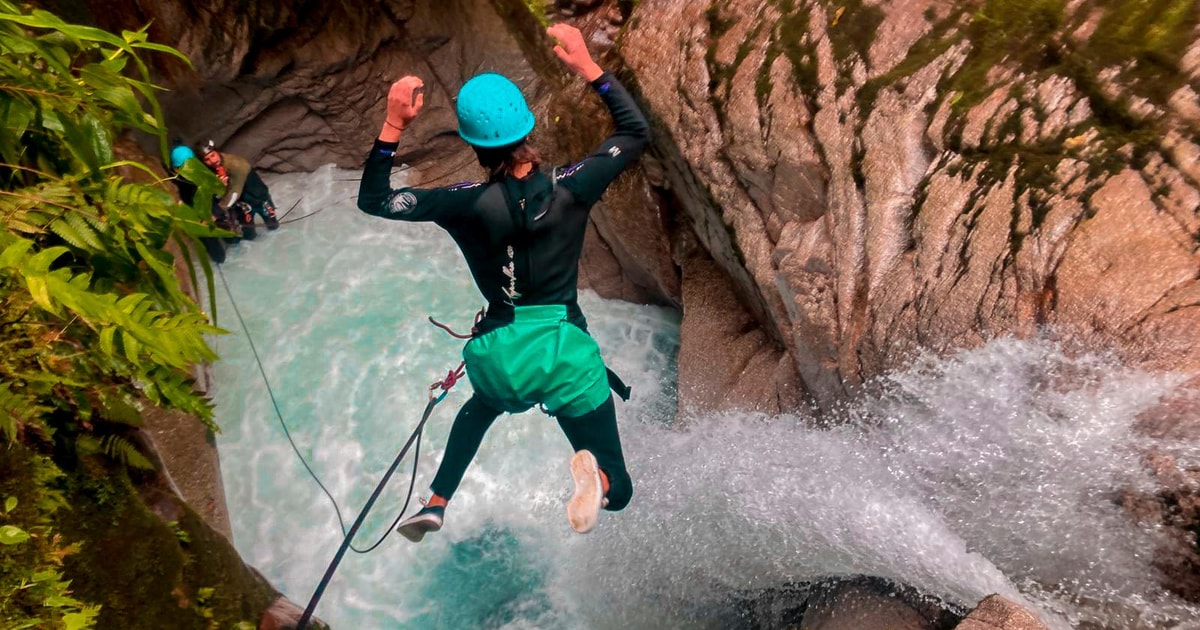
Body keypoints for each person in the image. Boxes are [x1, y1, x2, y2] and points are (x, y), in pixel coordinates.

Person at [356, 23, 651, 541]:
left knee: (479, 407)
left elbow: (376, 200)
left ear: (473, 143)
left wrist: (392, 123)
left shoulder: (462, 202)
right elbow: (634, 133)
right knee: (621, 491)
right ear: (527, 128)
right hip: (565, 353)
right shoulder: (574, 187)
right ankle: (598, 479)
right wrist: (587, 67)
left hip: (500, 353)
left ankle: (438, 500)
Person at [199, 141, 280, 238]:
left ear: (217, 152)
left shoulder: (236, 165)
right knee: (249, 236)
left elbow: (234, 192)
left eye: (212, 155)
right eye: (207, 159)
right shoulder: (210, 170)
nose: (212, 161)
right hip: (243, 205)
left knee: (273, 226)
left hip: (260, 199)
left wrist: (215, 214)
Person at [169, 143, 234, 263]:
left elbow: (213, 196)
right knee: (219, 257)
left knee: (233, 239)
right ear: (176, 169)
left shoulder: (202, 172)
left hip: (211, 209)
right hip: (197, 218)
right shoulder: (175, 184)